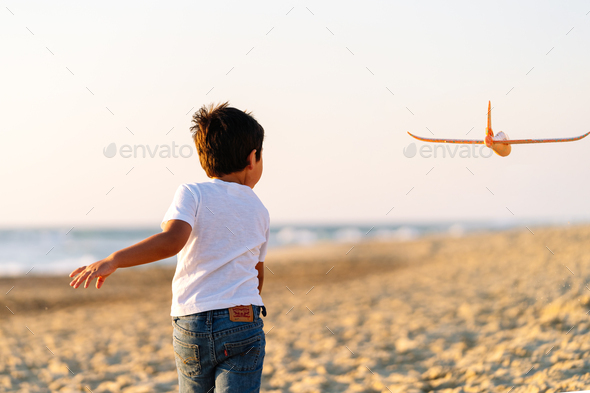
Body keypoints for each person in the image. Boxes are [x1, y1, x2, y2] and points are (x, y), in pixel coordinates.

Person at [69, 102, 269, 392]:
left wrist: (115, 259)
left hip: (193, 321)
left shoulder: (193, 193)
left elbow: (171, 241)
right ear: (253, 158)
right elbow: (256, 273)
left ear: (205, 159)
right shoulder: (259, 208)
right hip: (243, 319)